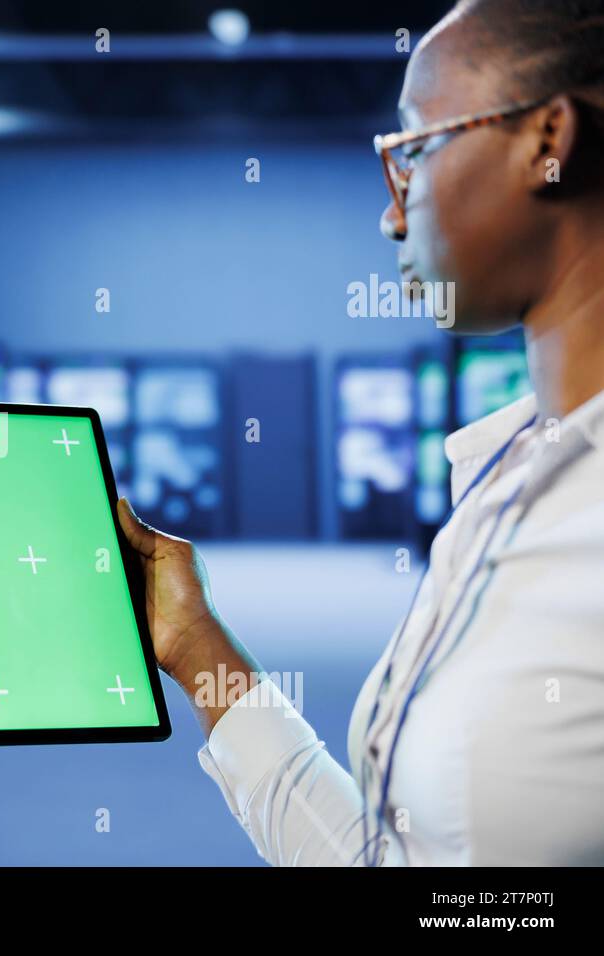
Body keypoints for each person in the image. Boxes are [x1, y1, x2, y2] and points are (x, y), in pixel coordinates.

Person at [117, 0, 604, 865]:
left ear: (548, 141)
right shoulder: (501, 478)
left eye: (413, 149)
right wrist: (197, 651)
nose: (391, 214)